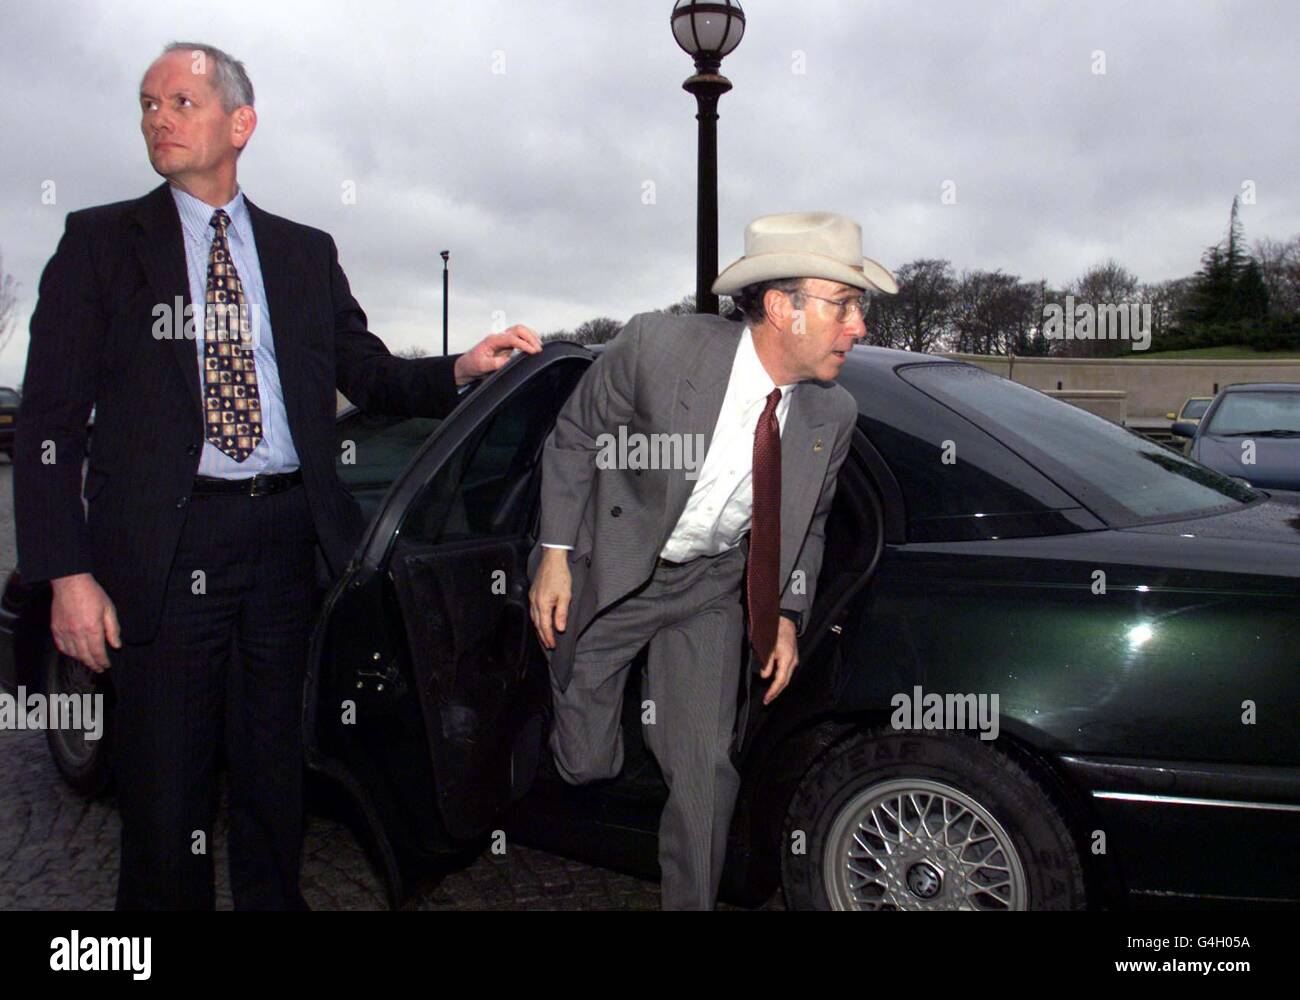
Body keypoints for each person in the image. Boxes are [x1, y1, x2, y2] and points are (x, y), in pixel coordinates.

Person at [13, 40, 540, 911]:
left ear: (240, 122)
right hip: (163, 551)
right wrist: (65, 575)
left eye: (181, 102)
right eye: (148, 104)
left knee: (274, 781)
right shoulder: (101, 244)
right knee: (164, 793)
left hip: (286, 545)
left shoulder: (302, 252)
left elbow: (366, 373)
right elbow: (48, 427)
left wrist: (459, 367)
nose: (158, 118)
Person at [527, 211, 897, 909]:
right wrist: (552, 556)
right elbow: (575, 437)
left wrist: (787, 613)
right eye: (844, 305)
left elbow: (807, 522)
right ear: (784, 308)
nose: (858, 326)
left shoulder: (831, 413)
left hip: (710, 587)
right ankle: (603, 729)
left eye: (859, 307)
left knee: (705, 772)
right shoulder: (657, 350)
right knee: (584, 765)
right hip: (618, 573)